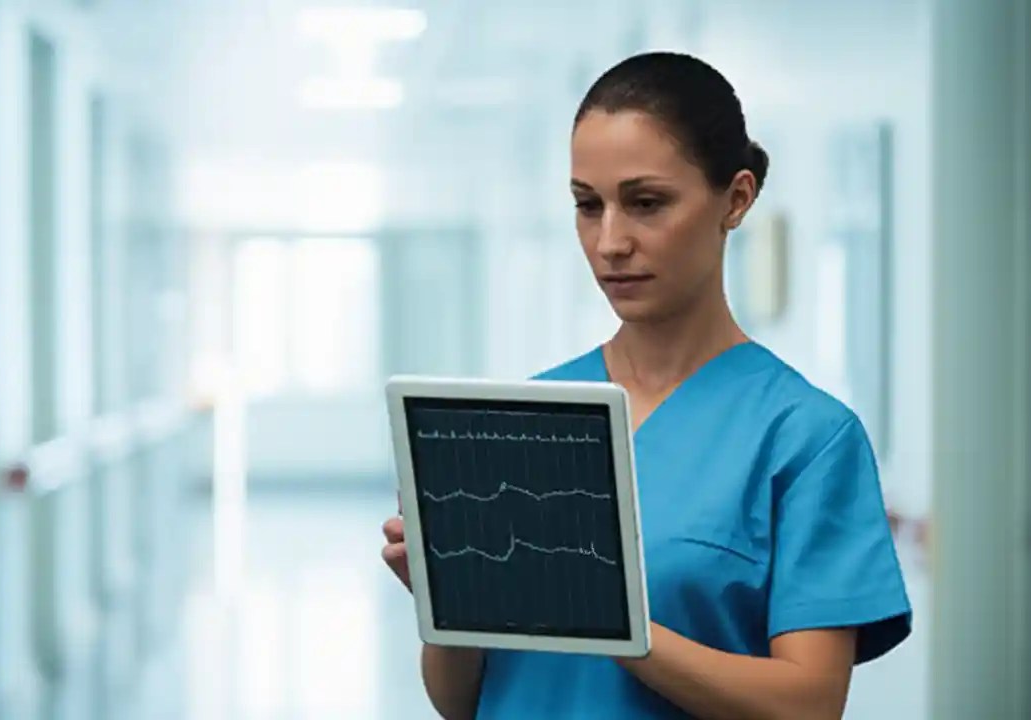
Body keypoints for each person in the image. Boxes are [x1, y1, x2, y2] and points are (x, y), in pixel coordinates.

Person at [380, 51, 911, 719]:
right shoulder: (526, 418)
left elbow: (808, 705)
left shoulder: (805, 438)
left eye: (646, 203)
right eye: (587, 205)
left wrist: (610, 617)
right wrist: (450, 596)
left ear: (736, 199)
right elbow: (462, 703)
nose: (610, 242)